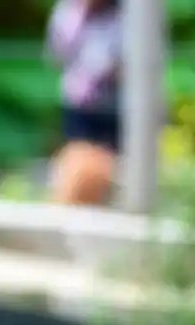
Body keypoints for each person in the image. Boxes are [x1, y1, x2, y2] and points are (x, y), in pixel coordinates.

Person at [45, 0, 122, 205]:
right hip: (79, 105)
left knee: (113, 166)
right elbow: (56, 53)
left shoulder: (124, 15)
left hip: (116, 107)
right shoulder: (68, 12)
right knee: (79, 160)